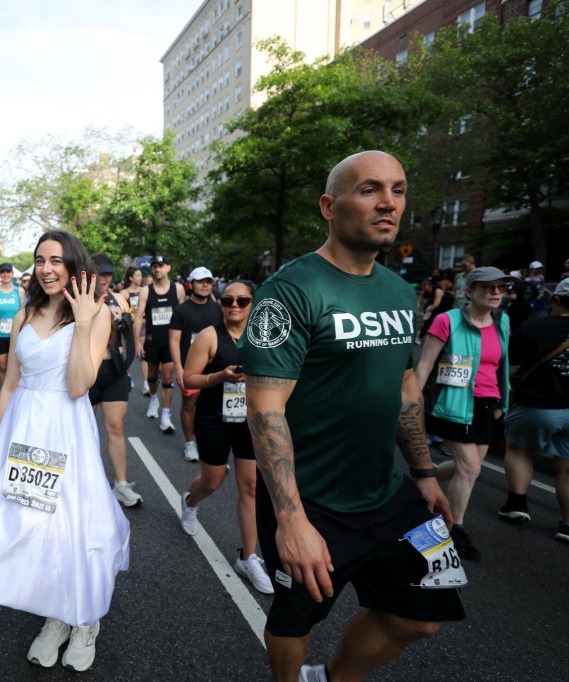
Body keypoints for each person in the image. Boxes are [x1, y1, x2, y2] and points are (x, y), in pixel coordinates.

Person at [239, 151, 463, 682]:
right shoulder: (290, 291)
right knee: (296, 621)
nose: (388, 202)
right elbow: (263, 408)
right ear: (328, 206)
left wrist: (425, 472)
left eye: (398, 190)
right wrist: (291, 519)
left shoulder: (397, 288)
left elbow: (405, 385)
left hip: (389, 495)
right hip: (313, 503)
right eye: (368, 190)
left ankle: (333, 678)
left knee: (423, 614)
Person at [0, 231, 130, 673]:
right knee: (32, 521)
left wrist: (84, 320)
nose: (47, 268)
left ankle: (84, 620)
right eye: (40, 260)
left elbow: (78, 384)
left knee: (72, 525)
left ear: (74, 266)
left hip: (64, 427)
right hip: (23, 427)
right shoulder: (24, 313)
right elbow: (11, 383)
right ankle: (56, 615)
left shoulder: (96, 317)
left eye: (56, 259)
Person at [180, 279, 272, 593]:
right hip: (213, 420)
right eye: (228, 300)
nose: (234, 305)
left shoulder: (263, 335)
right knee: (213, 481)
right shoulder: (209, 336)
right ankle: (191, 501)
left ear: (253, 303)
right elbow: (188, 378)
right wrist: (220, 375)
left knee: (250, 486)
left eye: (242, 301)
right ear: (221, 303)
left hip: (249, 421)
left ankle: (248, 557)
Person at [415, 266, 513, 561]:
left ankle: (420, 480)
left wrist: (502, 403)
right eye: (488, 287)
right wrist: (410, 406)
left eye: (501, 287)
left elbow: (501, 365)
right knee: (470, 468)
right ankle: (453, 531)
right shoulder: (447, 320)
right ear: (469, 292)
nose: (496, 292)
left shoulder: (503, 321)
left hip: (488, 405)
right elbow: (424, 365)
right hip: (454, 404)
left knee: (466, 469)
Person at [499, 277, 569, 542]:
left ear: (556, 300)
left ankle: (517, 505)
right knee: (567, 469)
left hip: (536, 405)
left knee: (518, 449)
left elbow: (512, 361)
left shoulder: (534, 326)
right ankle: (567, 525)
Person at [89, 254, 142, 507]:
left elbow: (128, 335)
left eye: (108, 273)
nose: (105, 278)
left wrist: (125, 321)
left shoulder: (119, 298)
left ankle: (121, 484)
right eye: (100, 273)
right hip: (87, 374)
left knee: (116, 427)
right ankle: (83, 484)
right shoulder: (79, 300)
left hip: (115, 372)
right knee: (83, 432)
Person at [169, 267, 222, 461]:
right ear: (191, 284)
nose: (205, 285)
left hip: (216, 368)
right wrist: (179, 368)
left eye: (208, 281)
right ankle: (190, 443)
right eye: (200, 281)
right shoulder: (181, 310)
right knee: (189, 405)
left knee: (215, 408)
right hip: (190, 368)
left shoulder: (218, 309)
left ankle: (214, 448)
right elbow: (174, 341)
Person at [134, 255, 186, 433]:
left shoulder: (178, 289)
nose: (157, 269)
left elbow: (184, 317)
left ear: (168, 268)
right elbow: (139, 316)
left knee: (167, 377)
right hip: (152, 341)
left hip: (171, 342)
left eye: (161, 266)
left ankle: (165, 416)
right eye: (155, 266)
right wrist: (137, 343)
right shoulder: (146, 291)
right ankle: (154, 399)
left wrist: (185, 343)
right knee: (152, 376)